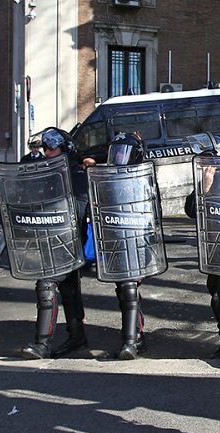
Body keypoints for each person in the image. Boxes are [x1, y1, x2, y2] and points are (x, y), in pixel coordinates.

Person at [20, 127, 91, 359]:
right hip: (47, 240)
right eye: (45, 149)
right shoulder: (43, 174)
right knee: (69, 290)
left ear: (65, 149)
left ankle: (42, 343)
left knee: (46, 285)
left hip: (68, 241)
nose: (46, 153)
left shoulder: (78, 176)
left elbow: (79, 211)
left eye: (51, 149)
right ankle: (77, 335)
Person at [184, 137, 220, 369]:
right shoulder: (204, 182)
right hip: (212, 247)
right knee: (217, 295)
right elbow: (190, 210)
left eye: (210, 160)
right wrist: (203, 187)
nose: (206, 165)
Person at [105, 132, 150, 360]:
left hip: (136, 241)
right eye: (117, 152)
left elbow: (151, 214)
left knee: (129, 288)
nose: (120, 157)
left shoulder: (142, 179)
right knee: (123, 291)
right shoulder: (108, 178)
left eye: (124, 153)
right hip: (115, 240)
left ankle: (130, 342)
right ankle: (137, 333)